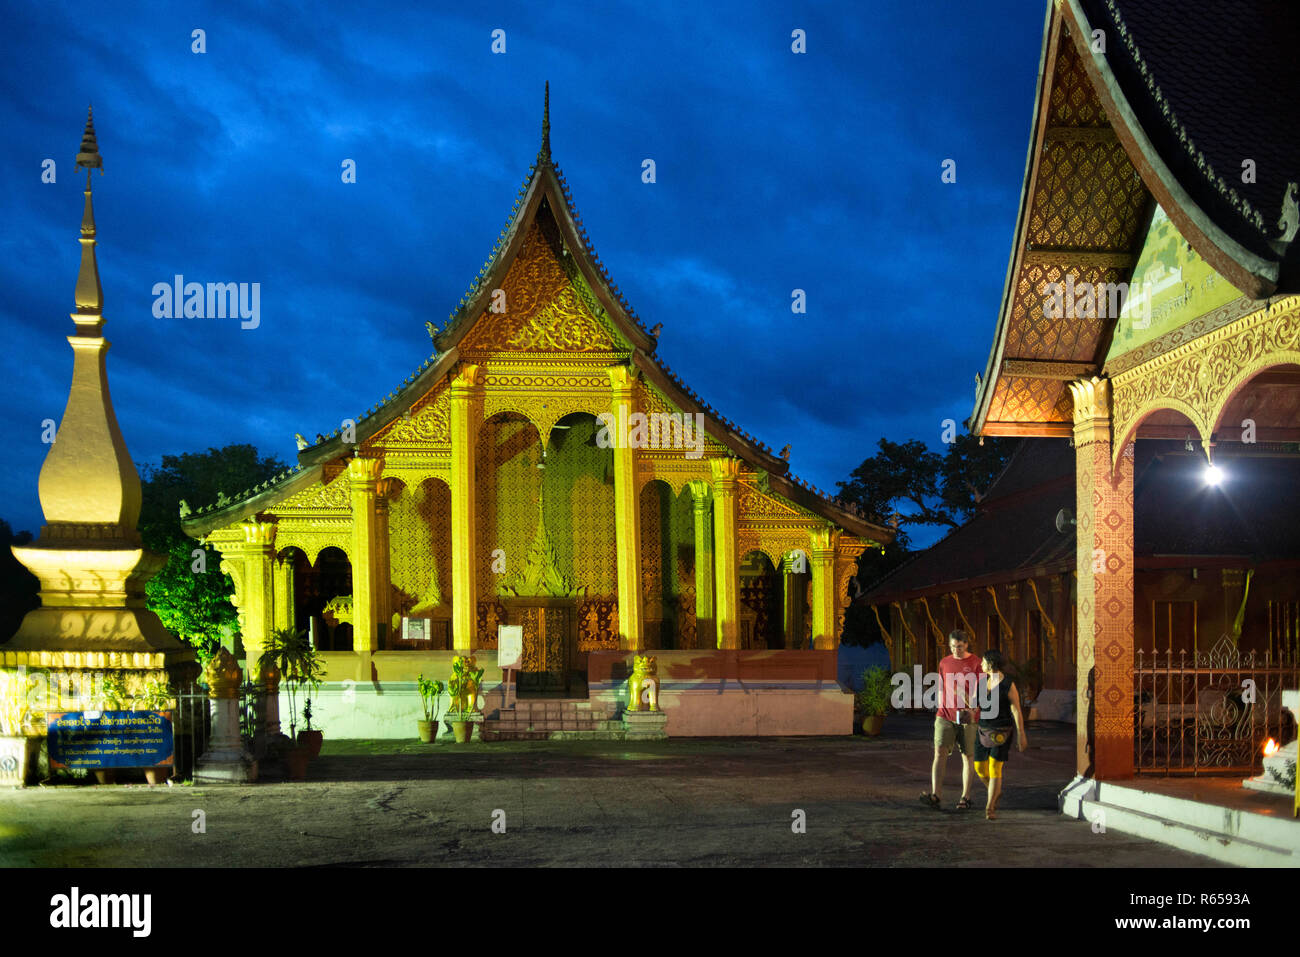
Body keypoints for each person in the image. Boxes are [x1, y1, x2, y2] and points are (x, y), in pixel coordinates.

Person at [920, 630, 981, 811]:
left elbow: (980, 690)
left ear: (966, 645)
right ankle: (936, 794)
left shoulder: (976, 663)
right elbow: (941, 686)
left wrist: (973, 708)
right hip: (945, 714)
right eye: (953, 646)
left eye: (960, 647)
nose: (956, 650)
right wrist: (939, 704)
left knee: (967, 756)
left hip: (967, 717)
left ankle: (965, 797)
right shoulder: (944, 662)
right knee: (939, 752)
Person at [973, 649, 1028, 820]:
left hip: (1002, 731)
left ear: (990, 664)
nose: (980, 665)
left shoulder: (1008, 684)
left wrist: (1021, 734)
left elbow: (1016, 709)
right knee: (979, 768)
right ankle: (995, 790)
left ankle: (990, 806)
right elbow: (974, 706)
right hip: (983, 729)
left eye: (983, 662)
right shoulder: (981, 683)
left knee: (994, 767)